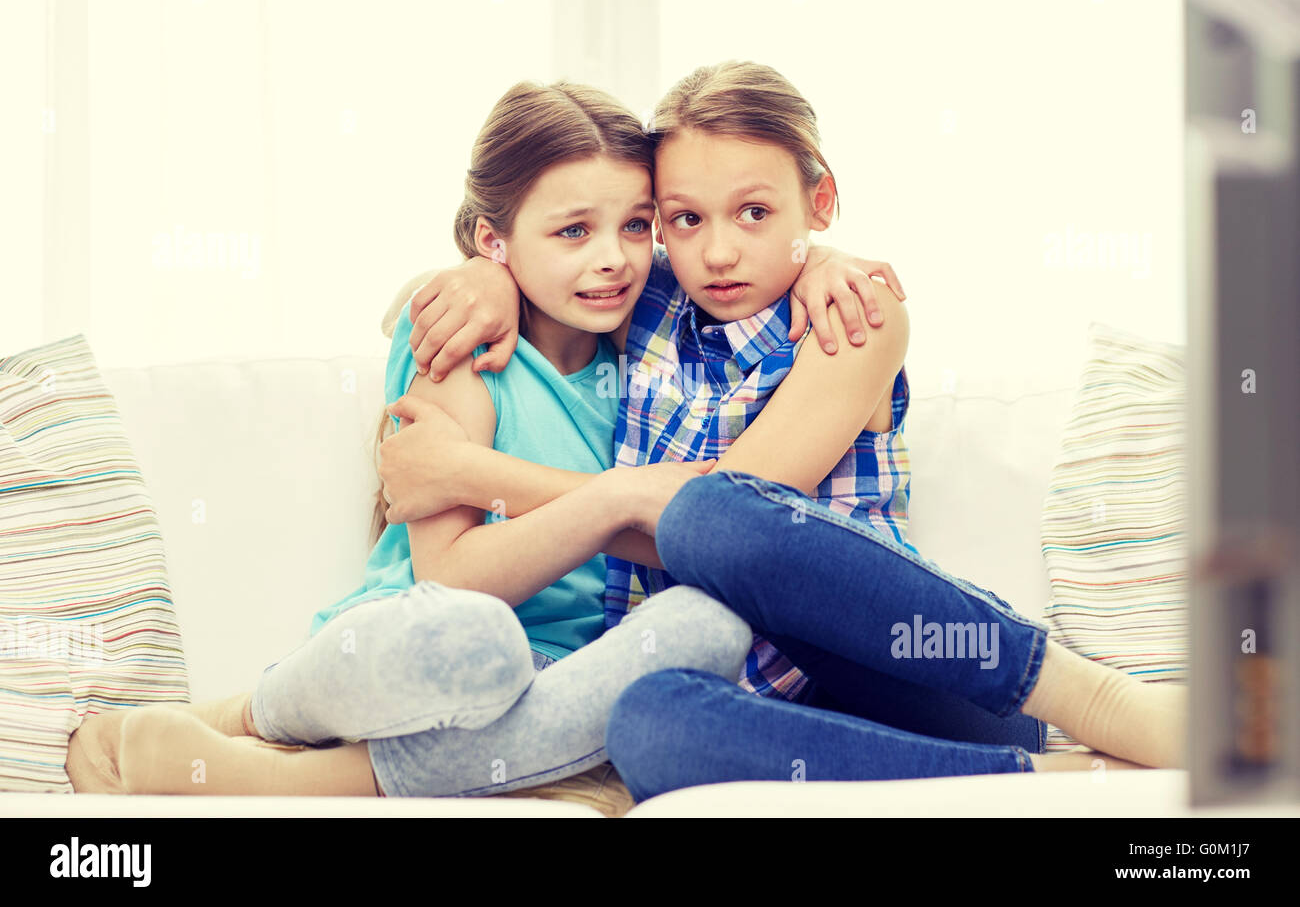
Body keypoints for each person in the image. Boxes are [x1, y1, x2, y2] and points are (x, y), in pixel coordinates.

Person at [63, 75, 885, 798]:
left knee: (707, 632)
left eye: (637, 226)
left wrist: (821, 260)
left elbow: (741, 250)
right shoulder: (463, 345)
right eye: (572, 232)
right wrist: (477, 279)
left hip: (562, 682)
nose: (615, 261)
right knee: (475, 640)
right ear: (494, 240)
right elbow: (452, 576)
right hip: (420, 636)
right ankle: (263, 712)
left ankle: (280, 776)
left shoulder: (652, 345)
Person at [384, 60, 1187, 793]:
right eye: (685, 220)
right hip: (750, 688)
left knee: (713, 511)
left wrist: (470, 473)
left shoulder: (852, 317)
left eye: (756, 213)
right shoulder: (650, 299)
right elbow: (528, 267)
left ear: (823, 203)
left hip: (906, 665)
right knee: (643, 721)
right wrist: (476, 275)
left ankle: (1102, 700)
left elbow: (724, 515)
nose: (720, 252)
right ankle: (1034, 776)